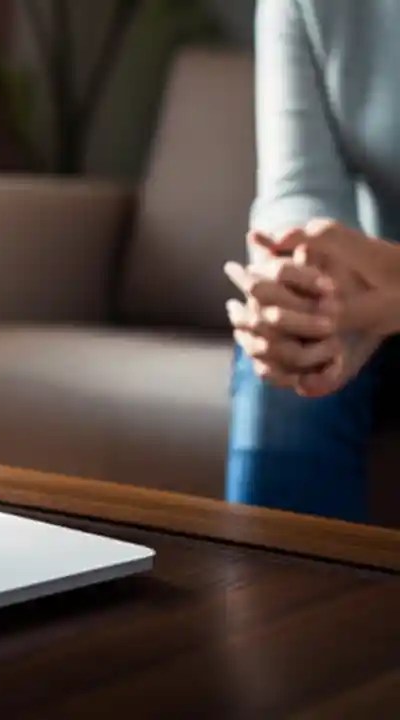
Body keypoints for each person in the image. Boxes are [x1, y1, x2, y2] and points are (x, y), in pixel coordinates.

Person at [223, 0, 400, 521]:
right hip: (370, 307)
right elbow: (299, 188)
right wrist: (306, 285)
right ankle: (268, 599)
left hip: (379, 294)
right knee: (298, 357)